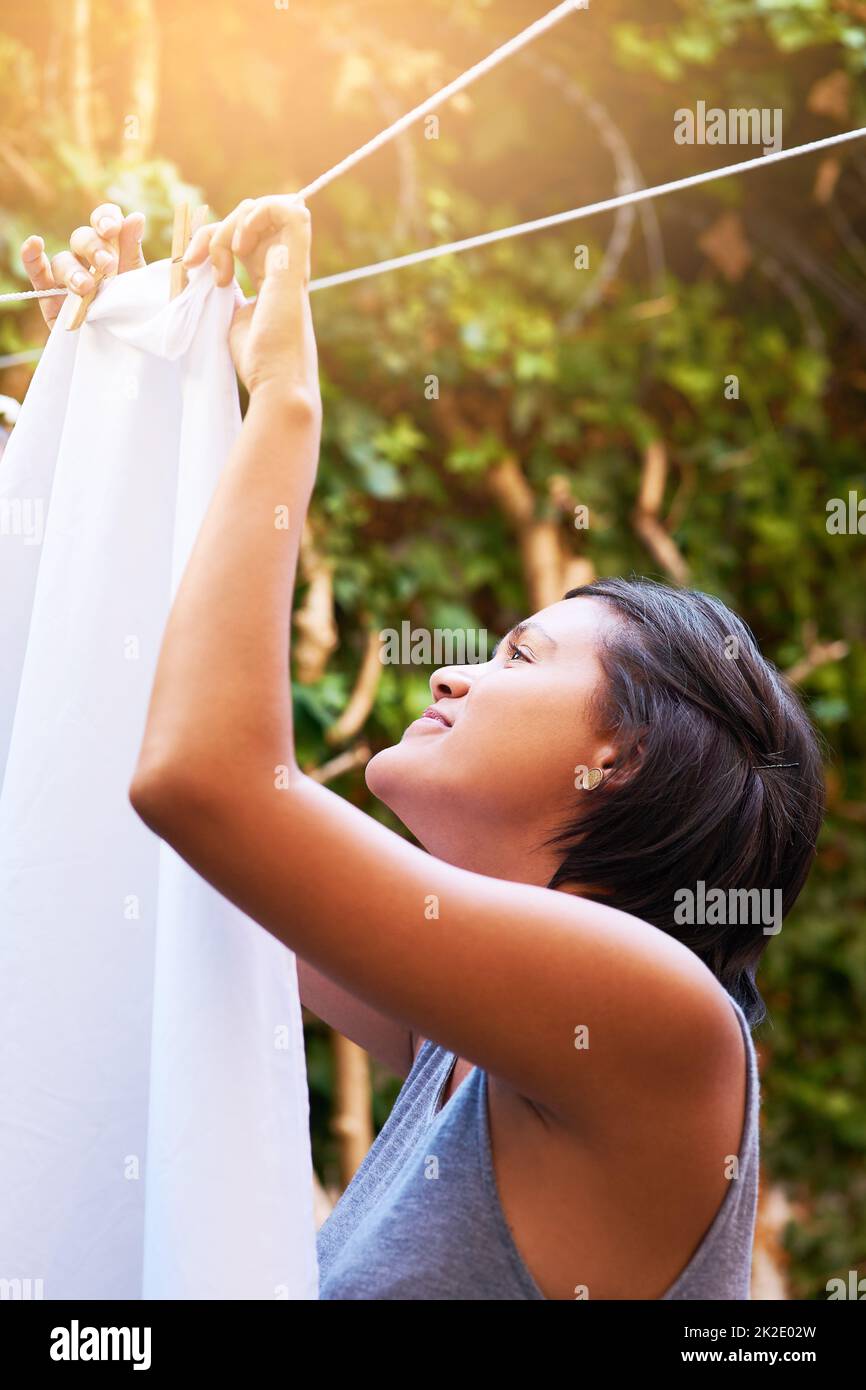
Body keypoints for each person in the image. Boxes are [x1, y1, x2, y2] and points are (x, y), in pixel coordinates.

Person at [21, 202, 824, 1300]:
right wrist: (115, 417)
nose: (452, 675)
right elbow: (159, 820)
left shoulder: (655, 1016)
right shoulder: (472, 1038)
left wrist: (288, 405)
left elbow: (203, 784)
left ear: (626, 757)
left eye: (518, 657)